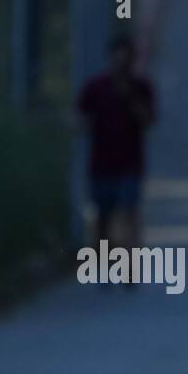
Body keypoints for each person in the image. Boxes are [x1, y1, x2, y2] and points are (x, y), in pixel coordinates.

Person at [75, 35, 156, 261]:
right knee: (102, 216)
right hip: (101, 162)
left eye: (125, 61)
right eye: (117, 60)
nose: (121, 65)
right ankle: (104, 262)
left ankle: (130, 262)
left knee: (127, 213)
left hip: (130, 163)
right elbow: (80, 119)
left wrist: (130, 96)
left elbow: (148, 120)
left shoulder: (141, 88)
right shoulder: (95, 87)